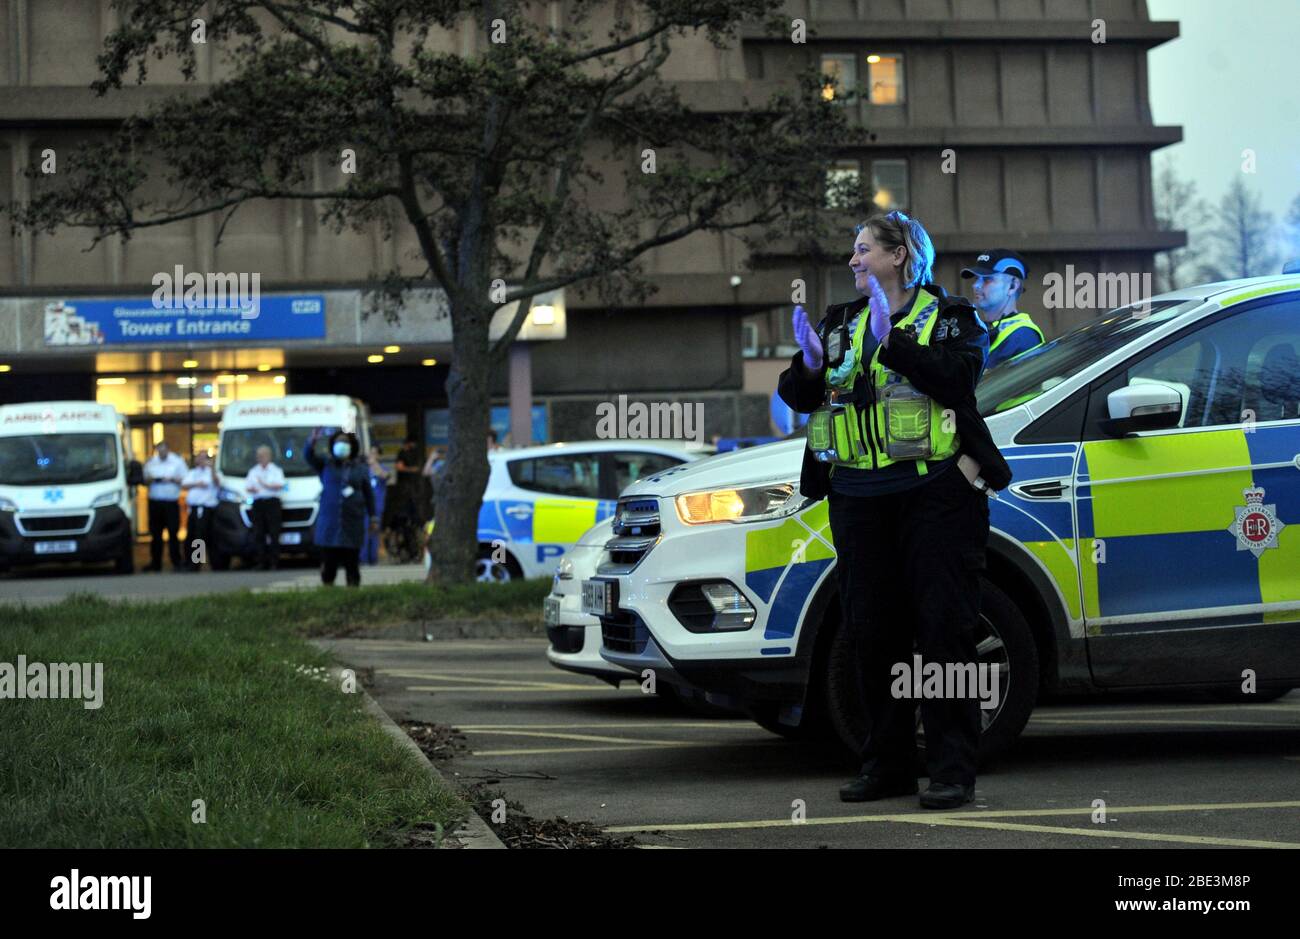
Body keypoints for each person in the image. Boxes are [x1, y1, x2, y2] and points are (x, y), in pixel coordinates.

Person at [780, 210, 1011, 810]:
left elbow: (957, 381)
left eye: (863, 250)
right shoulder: (841, 322)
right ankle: (887, 765)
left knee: (945, 633)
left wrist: (896, 342)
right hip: (859, 500)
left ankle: (953, 770)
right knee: (871, 635)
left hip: (936, 498)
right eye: (853, 251)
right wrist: (806, 364)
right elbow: (803, 397)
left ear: (900, 254)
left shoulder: (953, 319)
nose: (853, 260)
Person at [305, 428, 377, 587]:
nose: (341, 445)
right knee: (329, 564)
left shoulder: (360, 468)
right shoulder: (326, 465)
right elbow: (308, 456)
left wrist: (373, 517)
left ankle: (352, 594)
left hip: (352, 522)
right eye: (338, 442)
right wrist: (313, 441)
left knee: (352, 564)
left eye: (345, 442)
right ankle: (328, 591)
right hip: (330, 523)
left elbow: (369, 494)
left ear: (351, 446)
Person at [961, 249, 1044, 369]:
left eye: (987, 279)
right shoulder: (979, 330)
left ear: (1012, 286)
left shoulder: (1024, 335)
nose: (976, 285)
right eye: (976, 279)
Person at [142, 441, 187, 572]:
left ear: (168, 449)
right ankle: (156, 563)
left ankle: (178, 562)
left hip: (171, 503)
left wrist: (172, 479)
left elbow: (185, 479)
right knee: (156, 534)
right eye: (159, 450)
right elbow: (145, 480)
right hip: (155, 502)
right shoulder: (151, 462)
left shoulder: (177, 462)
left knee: (173, 533)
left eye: (163, 449)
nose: (161, 452)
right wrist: (152, 479)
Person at [245, 444, 286, 570]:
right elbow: (248, 487)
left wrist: (264, 484)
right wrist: (264, 487)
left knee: (274, 533)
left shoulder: (276, 470)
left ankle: (274, 562)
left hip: (272, 503)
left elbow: (279, 485)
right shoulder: (253, 471)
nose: (259, 458)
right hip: (258, 504)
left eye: (262, 456)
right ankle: (261, 562)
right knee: (259, 533)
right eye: (258, 456)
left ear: (268, 456)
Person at [180, 450, 221, 571]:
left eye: (204, 458)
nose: (202, 460)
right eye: (200, 458)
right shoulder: (193, 472)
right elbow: (184, 485)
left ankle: (197, 563)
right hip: (193, 509)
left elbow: (217, 482)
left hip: (205, 509)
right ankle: (189, 561)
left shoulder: (211, 473)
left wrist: (212, 468)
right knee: (190, 536)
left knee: (200, 537)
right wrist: (197, 484)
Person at [362, 445, 389, 565]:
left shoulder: (381, 468)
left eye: (373, 453)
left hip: (377, 505)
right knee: (363, 531)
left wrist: (374, 464)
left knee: (374, 531)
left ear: (378, 455)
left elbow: (385, 476)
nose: (371, 456)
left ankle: (373, 558)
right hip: (363, 506)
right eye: (369, 453)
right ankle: (363, 559)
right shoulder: (363, 469)